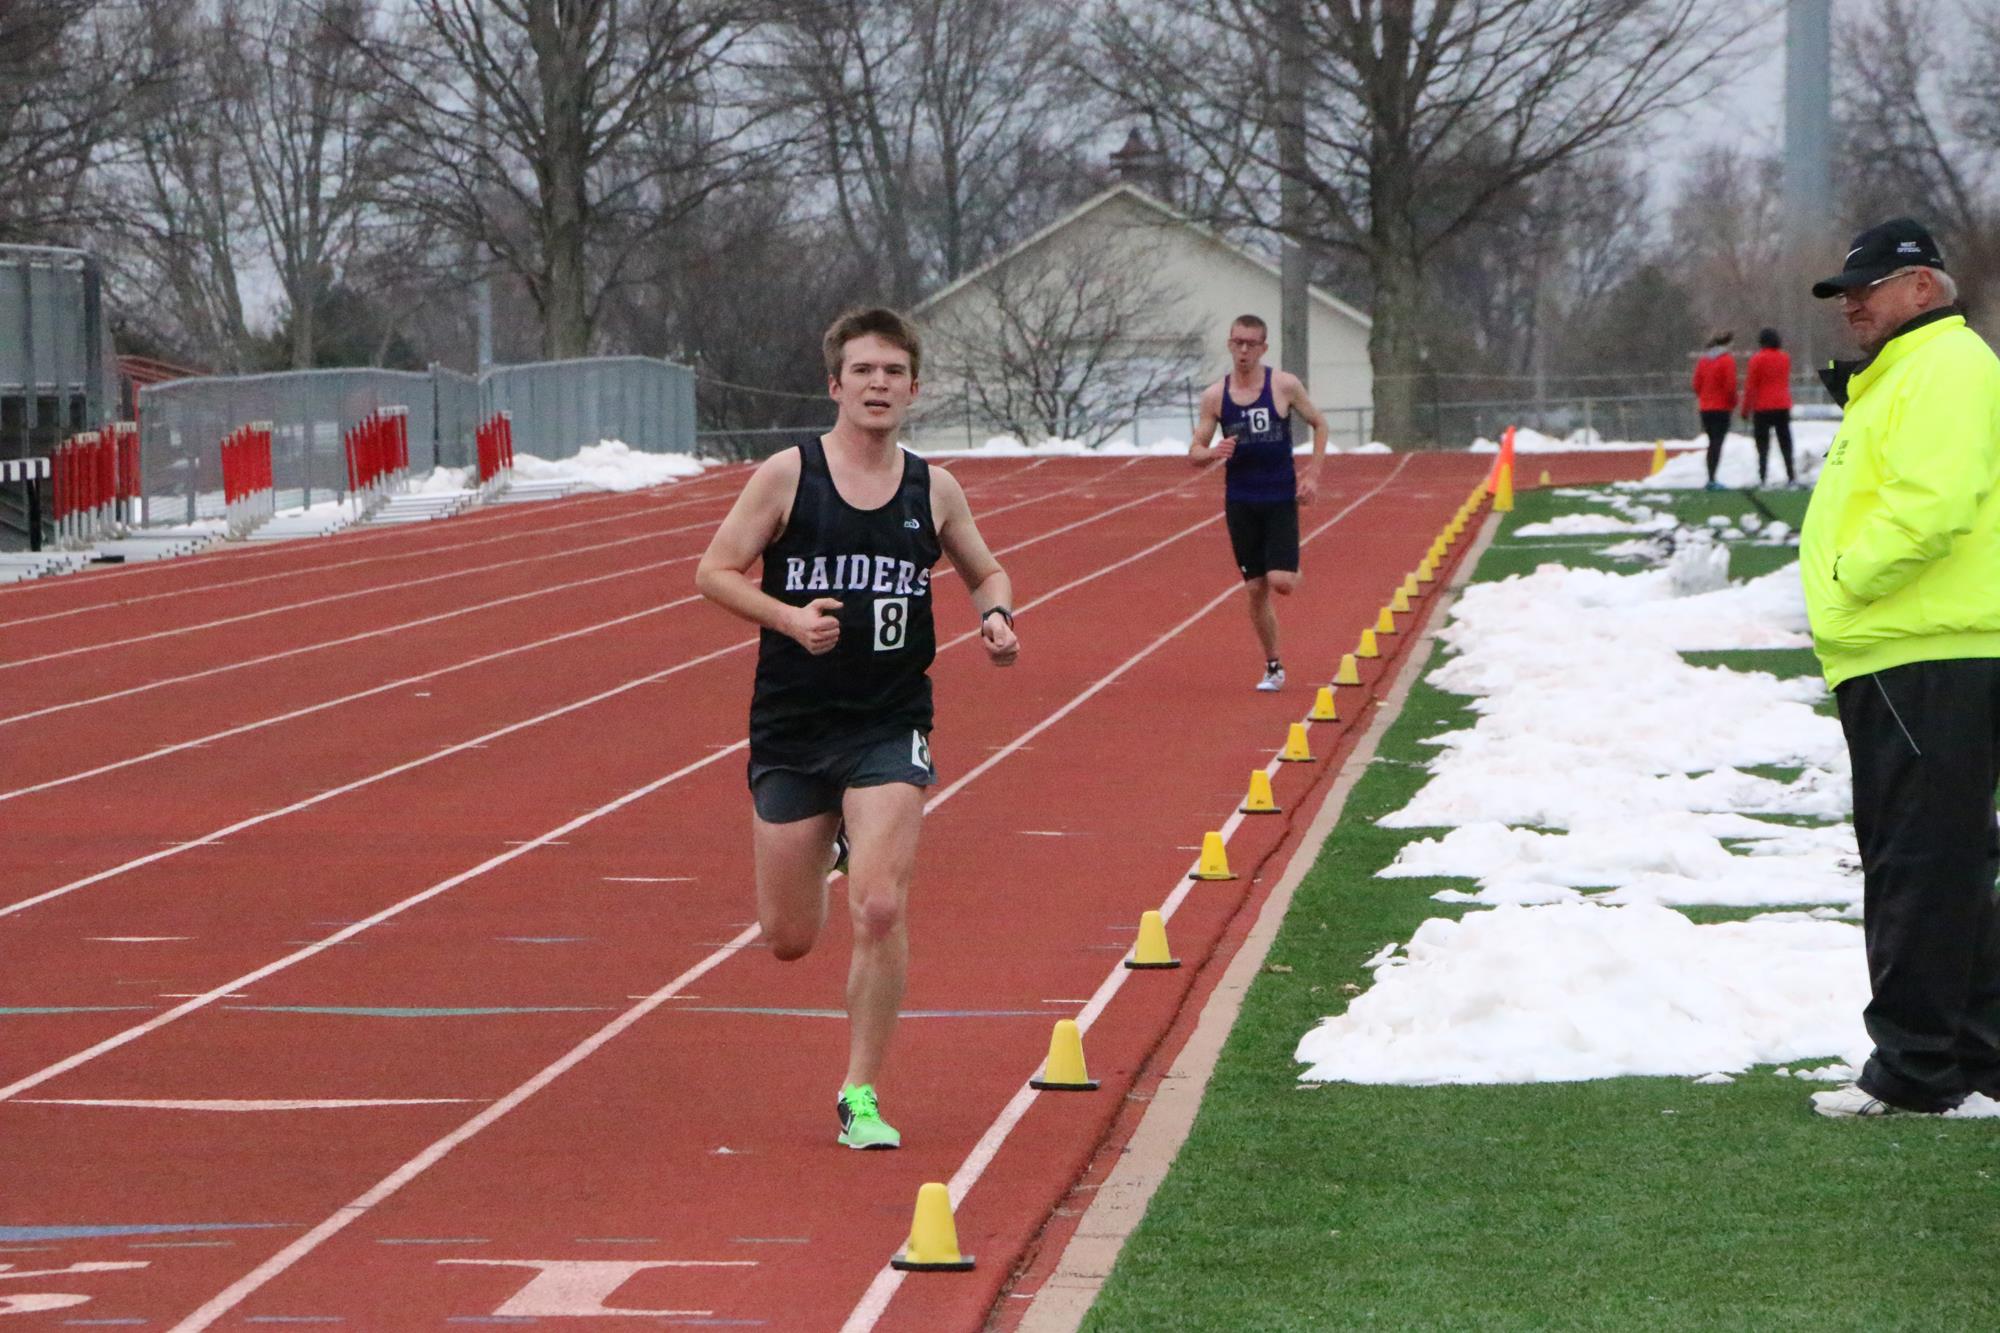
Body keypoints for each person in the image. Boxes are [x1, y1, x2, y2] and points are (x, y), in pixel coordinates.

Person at [695, 307, 1020, 1149]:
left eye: (894, 372)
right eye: (864, 371)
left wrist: (996, 616)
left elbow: (986, 568)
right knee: (789, 938)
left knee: (877, 905)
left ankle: (860, 1094)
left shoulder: (932, 487)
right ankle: (831, 836)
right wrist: (789, 619)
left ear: (915, 388)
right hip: (795, 725)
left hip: (890, 719)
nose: (879, 385)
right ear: (835, 384)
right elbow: (714, 571)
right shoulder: (787, 475)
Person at [1798, 217, 2000, 1118]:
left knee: (1919, 860)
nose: (1852, 305)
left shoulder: (1945, 369)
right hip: (1914, 645)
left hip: (1923, 643)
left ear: (1924, 288)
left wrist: (1847, 579)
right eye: (1846, 292)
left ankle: (1916, 1068)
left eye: (1868, 288)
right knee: (1945, 859)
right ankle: (1974, 1057)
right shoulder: (1904, 375)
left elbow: (1930, 508)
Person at [1187, 313, 1330, 691]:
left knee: (1281, 582)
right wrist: (1214, 451)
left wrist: (1312, 474)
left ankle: (1289, 563)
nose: (1244, 350)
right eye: (1238, 343)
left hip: (1280, 495)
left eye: (1251, 343)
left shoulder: (1283, 386)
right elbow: (1194, 451)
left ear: (1264, 348)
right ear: (1230, 345)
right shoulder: (1215, 396)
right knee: (1255, 589)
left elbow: (1319, 423)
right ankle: (1273, 665)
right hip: (1241, 500)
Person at [1739, 327, 1796, 487]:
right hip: (1782, 405)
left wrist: (1745, 410)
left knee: (1762, 444)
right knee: (1785, 441)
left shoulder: (1757, 360)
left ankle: (1763, 475)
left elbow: (1751, 386)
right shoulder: (1785, 358)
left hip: (1762, 407)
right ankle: (1791, 474)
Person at [1691, 329, 1737, 491]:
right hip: (1721, 408)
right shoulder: (1727, 360)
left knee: (1711, 442)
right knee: (1717, 442)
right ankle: (1712, 478)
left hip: (1705, 408)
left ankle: (1710, 477)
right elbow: (1730, 386)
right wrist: (1733, 402)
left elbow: (1696, 384)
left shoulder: (1703, 361)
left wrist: (1704, 397)